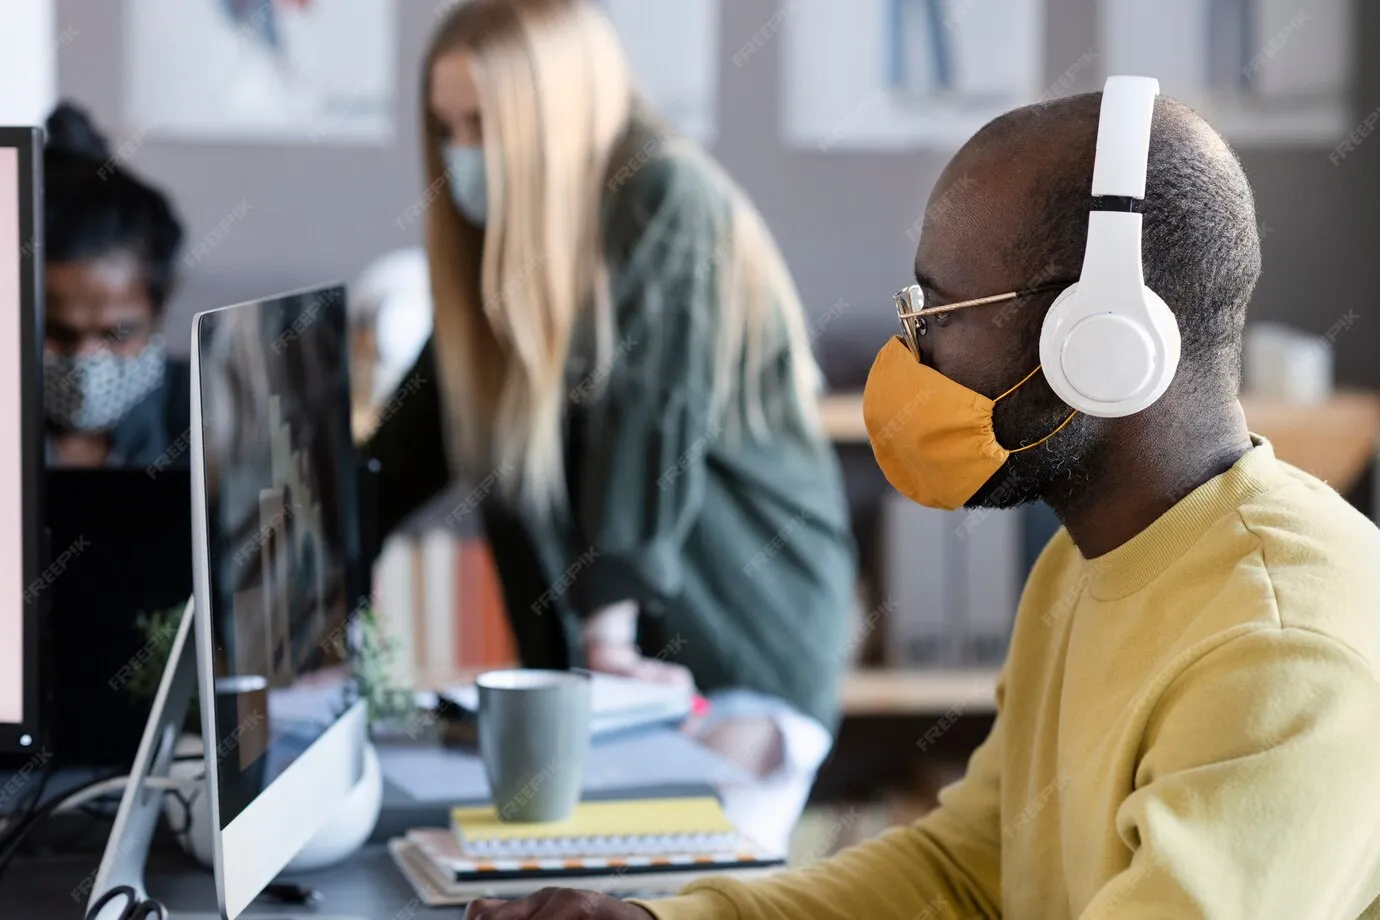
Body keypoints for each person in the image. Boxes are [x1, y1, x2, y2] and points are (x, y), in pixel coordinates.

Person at [461, 86, 1380, 919]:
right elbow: (966, 871)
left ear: (1101, 342)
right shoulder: (1086, 557)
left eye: (937, 314)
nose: (912, 360)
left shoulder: (1283, 657)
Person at [362, 0, 856, 845]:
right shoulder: (492, 254)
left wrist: (608, 630)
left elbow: (648, 418)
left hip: (738, 646)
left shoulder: (665, 194)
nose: (461, 153)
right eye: (446, 126)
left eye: (484, 122)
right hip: (603, 675)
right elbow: (403, 453)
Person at [42, 101, 190, 469]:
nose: (86, 362)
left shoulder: (208, 418)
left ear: (160, 305)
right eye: (56, 331)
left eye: (119, 333)